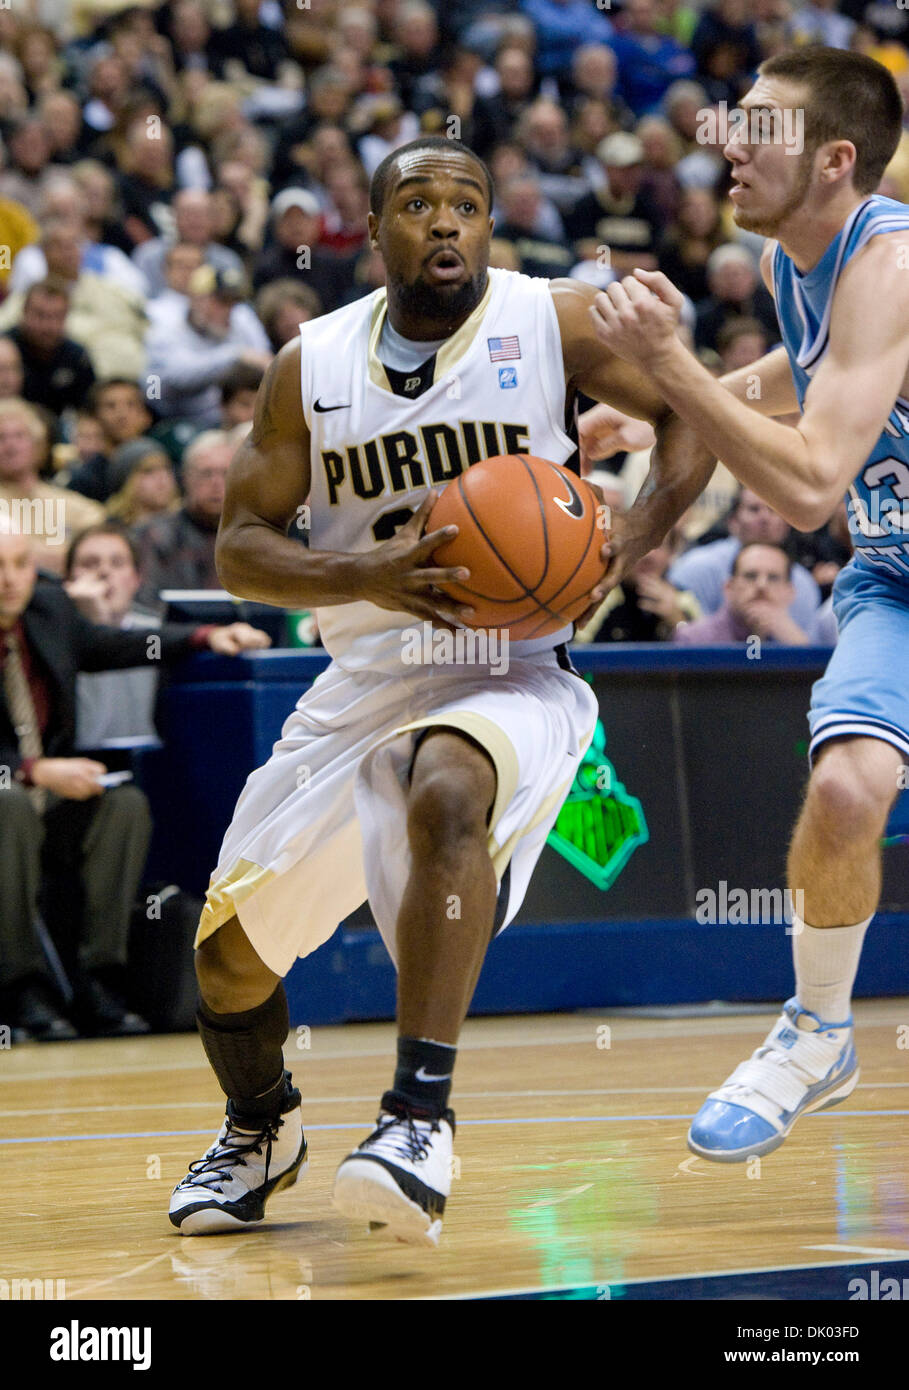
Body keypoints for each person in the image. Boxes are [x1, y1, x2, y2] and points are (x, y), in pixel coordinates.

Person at [166, 135, 715, 1244]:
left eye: (467, 202)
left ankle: (418, 1113)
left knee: (447, 784)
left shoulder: (552, 321)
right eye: (418, 204)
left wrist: (643, 527)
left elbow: (690, 408)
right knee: (224, 962)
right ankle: (261, 1123)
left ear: (491, 228)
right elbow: (239, 547)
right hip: (364, 673)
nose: (448, 221)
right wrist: (361, 571)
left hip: (512, 667)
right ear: (373, 234)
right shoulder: (307, 365)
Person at [588, 47, 909, 1161]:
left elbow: (814, 484)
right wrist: (662, 417)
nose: (727, 141)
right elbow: (803, 372)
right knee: (846, 785)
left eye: (758, 127)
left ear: (833, 159)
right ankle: (818, 1030)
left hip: (870, 541)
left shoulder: (891, 264)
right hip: (896, 577)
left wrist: (671, 372)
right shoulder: (795, 261)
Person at [0, 519, 266, 1043]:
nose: (10, 580)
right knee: (7, 806)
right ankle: (20, 987)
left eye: (20, 565)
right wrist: (34, 771)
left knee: (122, 806)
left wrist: (205, 635)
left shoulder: (49, 613)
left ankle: (98, 977)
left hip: (42, 801)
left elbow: (119, 645)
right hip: (11, 796)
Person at [667, 486, 821, 627]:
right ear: (732, 521)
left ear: (788, 523)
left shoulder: (803, 583)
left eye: (774, 510)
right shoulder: (695, 568)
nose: (765, 518)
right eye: (754, 509)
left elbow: (810, 651)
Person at [132, 430, 234, 607]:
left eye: (226, 473)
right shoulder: (156, 535)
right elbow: (145, 605)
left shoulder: (254, 537)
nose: (216, 483)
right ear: (186, 478)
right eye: (206, 473)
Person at [673, 540, 808, 645]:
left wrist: (797, 646)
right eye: (751, 576)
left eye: (773, 578)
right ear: (729, 588)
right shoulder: (693, 639)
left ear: (790, 592)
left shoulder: (799, 641)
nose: (761, 585)